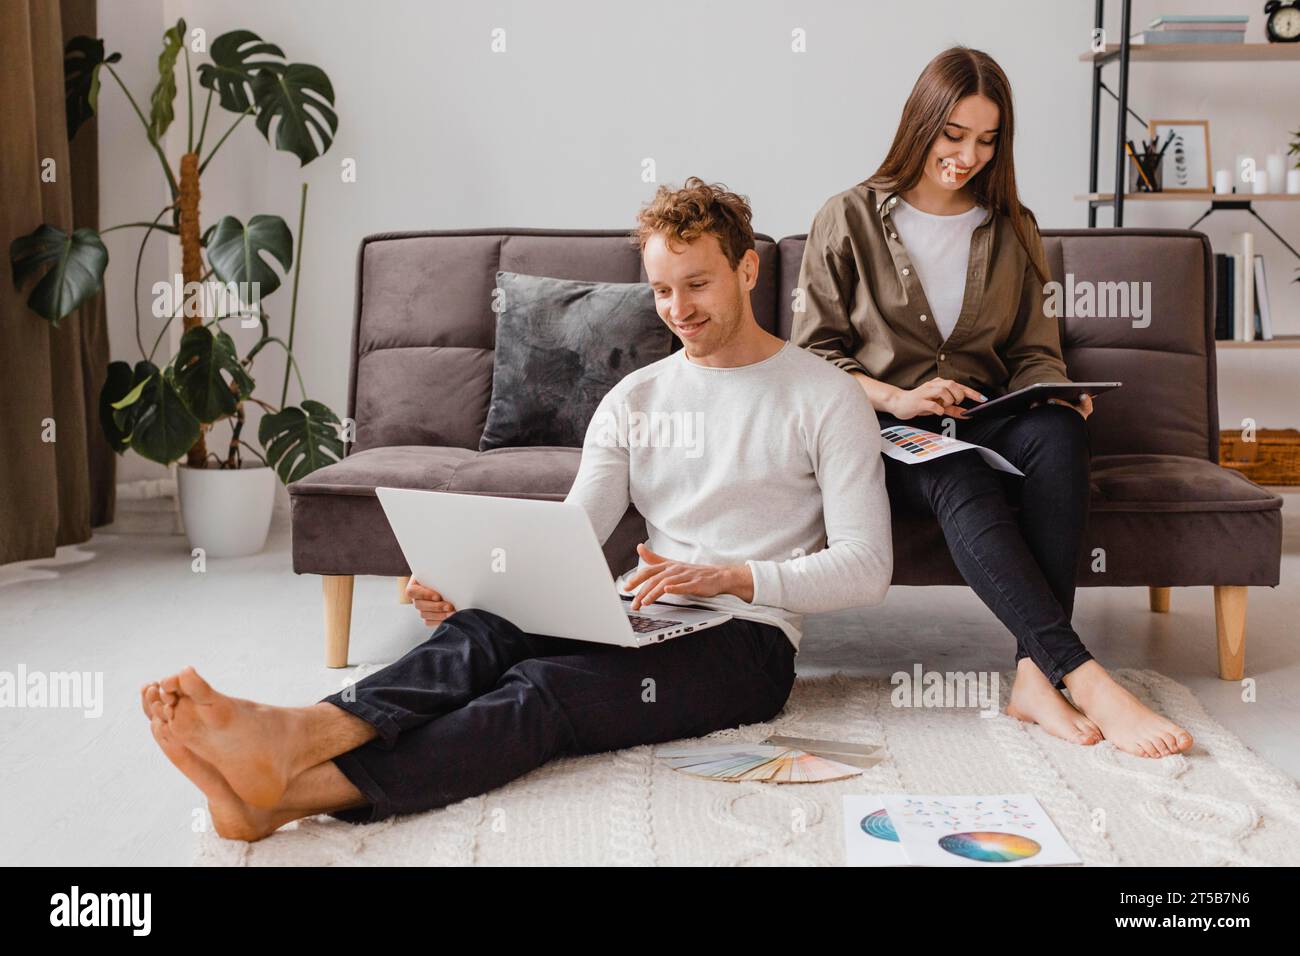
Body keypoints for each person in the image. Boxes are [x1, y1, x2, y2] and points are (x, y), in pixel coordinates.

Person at [142, 177, 893, 841]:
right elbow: (569, 536)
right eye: (662, 291)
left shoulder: (824, 395)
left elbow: (867, 568)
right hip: (639, 614)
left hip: (746, 646)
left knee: (540, 694)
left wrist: (730, 577)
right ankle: (297, 743)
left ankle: (298, 784)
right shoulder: (637, 397)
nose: (678, 310)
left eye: (696, 285)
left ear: (748, 268)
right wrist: (471, 589)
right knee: (482, 633)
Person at [791, 46, 1192, 758]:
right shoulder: (846, 218)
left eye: (986, 140)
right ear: (921, 123)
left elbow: (1034, 348)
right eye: (953, 135)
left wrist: (1060, 392)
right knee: (955, 466)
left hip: (983, 416)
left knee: (1058, 435)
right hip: (883, 429)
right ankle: (1086, 675)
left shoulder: (1012, 226)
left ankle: (1034, 676)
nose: (967, 156)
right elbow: (812, 358)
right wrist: (900, 396)